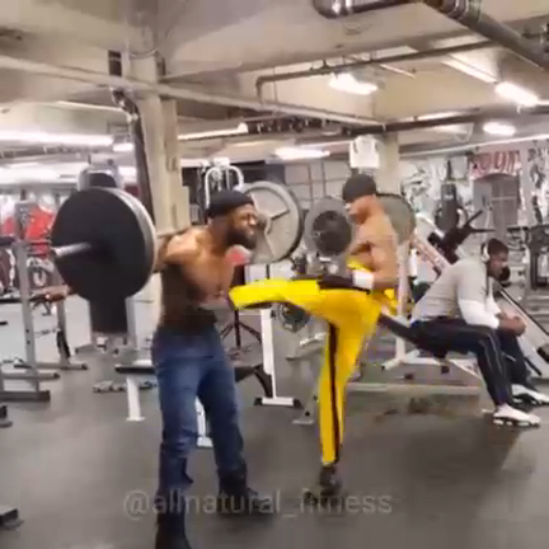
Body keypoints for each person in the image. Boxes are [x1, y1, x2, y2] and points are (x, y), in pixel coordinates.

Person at [229, 173, 400, 504]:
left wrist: (348, 278)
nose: (348, 210)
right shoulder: (367, 226)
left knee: (284, 288)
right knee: (331, 387)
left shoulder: (378, 226)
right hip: (355, 312)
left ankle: (223, 300)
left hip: (355, 303)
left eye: (352, 203)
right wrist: (339, 272)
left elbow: (389, 277)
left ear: (369, 197)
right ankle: (328, 469)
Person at [152, 190, 272, 549]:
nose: (252, 222)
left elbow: (264, 250)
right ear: (219, 220)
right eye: (244, 216)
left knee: (227, 419)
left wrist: (259, 226)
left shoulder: (230, 250)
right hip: (177, 346)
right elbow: (138, 265)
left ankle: (234, 494)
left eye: (253, 216)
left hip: (210, 342)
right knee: (181, 435)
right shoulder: (186, 247)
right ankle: (169, 529)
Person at [410, 238, 549, 427]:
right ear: (486, 257)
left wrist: (507, 321)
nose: (504, 265)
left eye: (505, 260)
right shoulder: (471, 270)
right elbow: (474, 316)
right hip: (425, 326)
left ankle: (518, 386)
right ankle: (504, 406)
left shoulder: (484, 274)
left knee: (503, 331)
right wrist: (507, 324)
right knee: (486, 336)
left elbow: (488, 304)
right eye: (500, 260)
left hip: (443, 322)